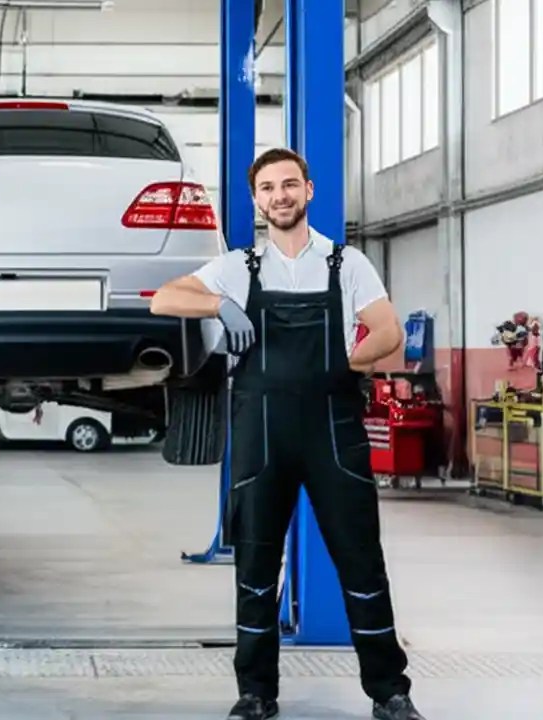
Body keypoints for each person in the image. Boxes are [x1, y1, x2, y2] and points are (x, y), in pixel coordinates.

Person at [149, 148, 426, 720]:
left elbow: (388, 330)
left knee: (361, 561)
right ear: (256, 201)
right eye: (268, 188)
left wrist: (343, 364)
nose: (280, 196)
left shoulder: (345, 264)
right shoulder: (239, 266)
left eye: (289, 185)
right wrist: (220, 304)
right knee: (255, 565)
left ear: (309, 190)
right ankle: (255, 694)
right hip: (262, 436)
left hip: (334, 431)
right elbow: (163, 298)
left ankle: (390, 692)